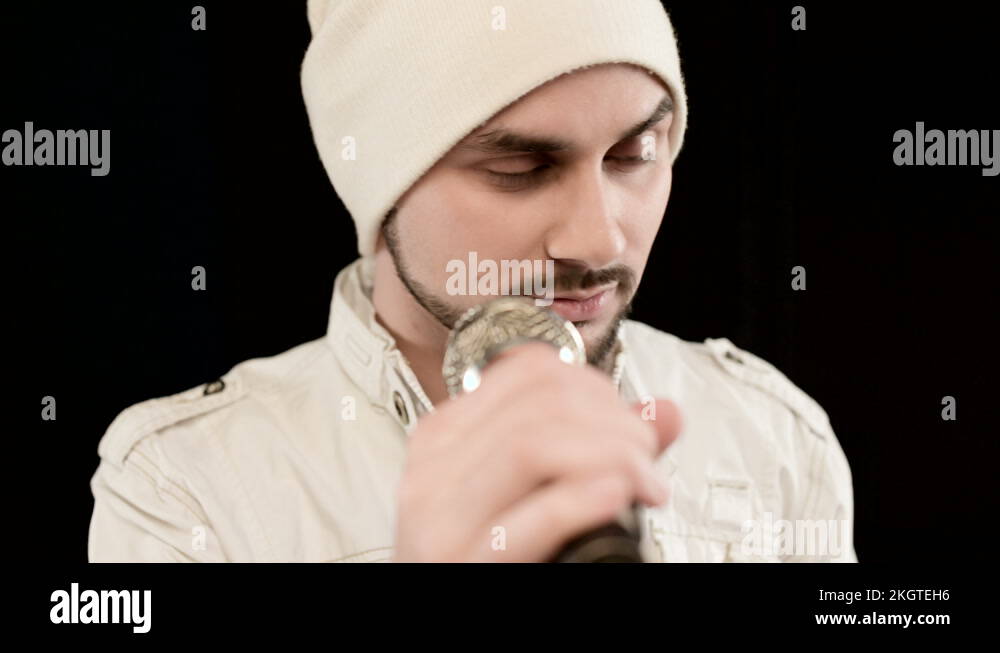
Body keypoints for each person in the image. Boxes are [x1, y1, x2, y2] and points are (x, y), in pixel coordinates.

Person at [88, 0, 856, 562]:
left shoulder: (774, 441)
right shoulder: (186, 488)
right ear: (379, 184)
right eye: (520, 170)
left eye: (635, 154)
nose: (599, 236)